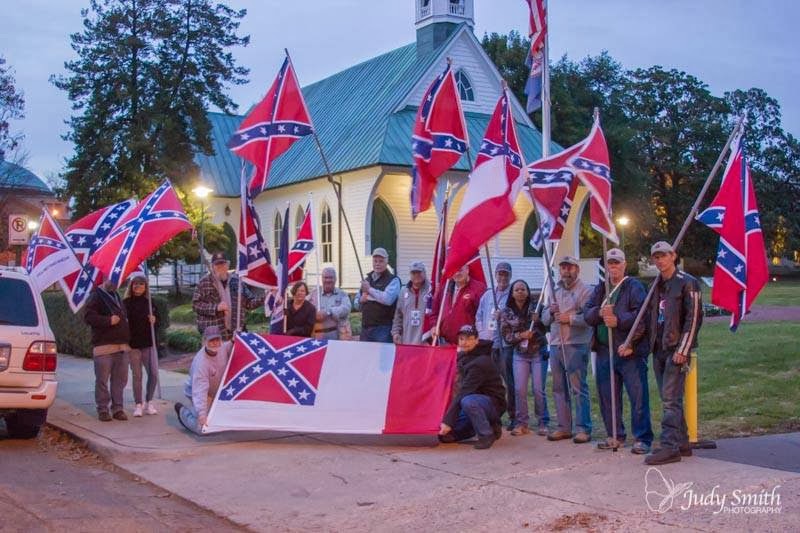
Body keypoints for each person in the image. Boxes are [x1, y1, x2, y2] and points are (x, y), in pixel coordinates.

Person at [584, 248, 653, 454]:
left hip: (628, 350)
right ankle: (614, 435)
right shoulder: (600, 289)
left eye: (617, 263)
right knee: (607, 396)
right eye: (610, 263)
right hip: (605, 351)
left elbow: (642, 315)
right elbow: (587, 314)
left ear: (624, 265)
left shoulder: (634, 287)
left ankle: (642, 438)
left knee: (638, 395)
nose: (613, 267)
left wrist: (619, 320)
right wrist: (599, 312)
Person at [640, 241, 702, 465]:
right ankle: (682, 442)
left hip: (676, 349)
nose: (659, 260)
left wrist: (683, 349)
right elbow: (650, 317)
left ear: (673, 256)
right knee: (670, 399)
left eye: (663, 255)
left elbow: (693, 318)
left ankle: (669, 447)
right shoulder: (656, 285)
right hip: (659, 349)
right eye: (656, 256)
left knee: (670, 400)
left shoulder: (688, 283)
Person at [541, 256, 594, 444]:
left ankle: (583, 428)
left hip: (576, 343)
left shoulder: (586, 291)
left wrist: (568, 318)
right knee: (558, 388)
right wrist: (550, 311)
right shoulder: (554, 291)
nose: (566, 271)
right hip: (556, 343)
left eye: (569, 268)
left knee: (578, 387)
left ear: (577, 270)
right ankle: (564, 427)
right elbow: (545, 319)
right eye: (563, 268)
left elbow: (589, 317)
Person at [438, 325, 507, 450]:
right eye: (462, 339)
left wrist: (448, 421)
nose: (465, 343)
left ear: (477, 340)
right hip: (472, 400)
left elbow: (464, 392)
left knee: (467, 401)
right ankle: (478, 428)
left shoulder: (480, 362)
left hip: (491, 403)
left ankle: (486, 434)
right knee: (445, 436)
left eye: (469, 339)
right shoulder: (463, 357)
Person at [500, 280, 550, 437]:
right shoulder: (506, 312)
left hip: (538, 352)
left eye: (523, 289)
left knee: (538, 389)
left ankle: (543, 422)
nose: (520, 291)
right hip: (519, 354)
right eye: (517, 289)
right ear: (512, 293)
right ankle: (522, 423)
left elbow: (548, 326)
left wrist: (540, 319)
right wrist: (521, 335)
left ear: (528, 291)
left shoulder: (537, 307)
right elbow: (506, 336)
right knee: (519, 389)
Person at [84, 279, 131, 422]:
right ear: (104, 277)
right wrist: (108, 321)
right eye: (112, 278)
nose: (115, 282)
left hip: (121, 346)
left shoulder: (116, 296)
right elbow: (88, 317)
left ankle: (118, 408)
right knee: (102, 380)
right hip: (104, 346)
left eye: (118, 279)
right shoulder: (96, 296)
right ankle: (103, 409)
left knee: (120, 380)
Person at [192, 252, 264, 341]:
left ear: (228, 265)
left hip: (236, 331)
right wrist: (216, 307)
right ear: (212, 266)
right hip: (214, 334)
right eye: (217, 264)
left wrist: (266, 297)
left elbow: (249, 303)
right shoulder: (204, 282)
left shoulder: (237, 281)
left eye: (223, 263)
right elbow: (196, 305)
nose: (220, 266)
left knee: (237, 354)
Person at [475, 262, 514, 427]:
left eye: (505, 274)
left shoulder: (513, 294)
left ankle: (514, 417)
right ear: (496, 275)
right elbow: (479, 315)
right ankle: (492, 415)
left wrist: (504, 316)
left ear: (510, 276)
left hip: (504, 345)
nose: (502, 277)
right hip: (487, 344)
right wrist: (481, 333)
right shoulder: (487, 295)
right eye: (500, 274)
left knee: (509, 382)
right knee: (489, 383)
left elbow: (516, 319)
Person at [174, 326, 232, 435]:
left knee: (224, 421)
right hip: (200, 393)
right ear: (204, 341)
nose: (215, 343)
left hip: (216, 393)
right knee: (203, 428)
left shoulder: (223, 348)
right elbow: (200, 390)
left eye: (217, 339)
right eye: (211, 340)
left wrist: (235, 340)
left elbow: (229, 346)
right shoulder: (201, 363)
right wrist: (202, 414)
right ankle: (183, 412)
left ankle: (200, 410)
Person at [123, 274, 160, 417]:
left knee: (154, 373)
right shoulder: (125, 303)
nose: (138, 286)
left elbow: (159, 322)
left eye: (141, 284)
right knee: (137, 375)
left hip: (148, 344)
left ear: (146, 287)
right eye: (135, 284)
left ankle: (149, 401)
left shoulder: (151, 303)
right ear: (131, 286)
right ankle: (138, 404)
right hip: (133, 345)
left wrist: (154, 320)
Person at [430, 264, 486, 345]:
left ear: (467, 270)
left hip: (467, 344)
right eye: (454, 270)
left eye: (460, 270)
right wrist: (434, 326)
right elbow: (434, 312)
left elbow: (483, 316)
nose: (457, 273)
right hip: (444, 343)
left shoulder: (479, 289)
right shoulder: (444, 288)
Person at [354, 248, 401, 342]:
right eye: (375, 261)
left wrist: (369, 290)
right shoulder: (367, 280)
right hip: (365, 329)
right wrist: (360, 301)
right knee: (365, 356)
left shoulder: (393, 280)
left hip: (383, 329)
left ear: (386, 262)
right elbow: (355, 304)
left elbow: (388, 299)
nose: (377, 264)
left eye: (381, 261)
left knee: (383, 356)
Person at [392, 261, 431, 345]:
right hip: (407, 341)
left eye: (419, 272)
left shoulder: (432, 290)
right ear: (410, 274)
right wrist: (396, 332)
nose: (416, 275)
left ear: (424, 273)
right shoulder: (403, 291)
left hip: (426, 342)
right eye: (413, 273)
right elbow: (398, 315)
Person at [309, 267, 352, 340]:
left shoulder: (342, 294)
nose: (328, 280)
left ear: (335, 279)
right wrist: (314, 314)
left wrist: (329, 312)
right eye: (325, 277)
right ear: (322, 279)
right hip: (318, 336)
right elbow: (304, 306)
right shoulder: (314, 294)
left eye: (331, 277)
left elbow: (347, 308)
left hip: (337, 336)